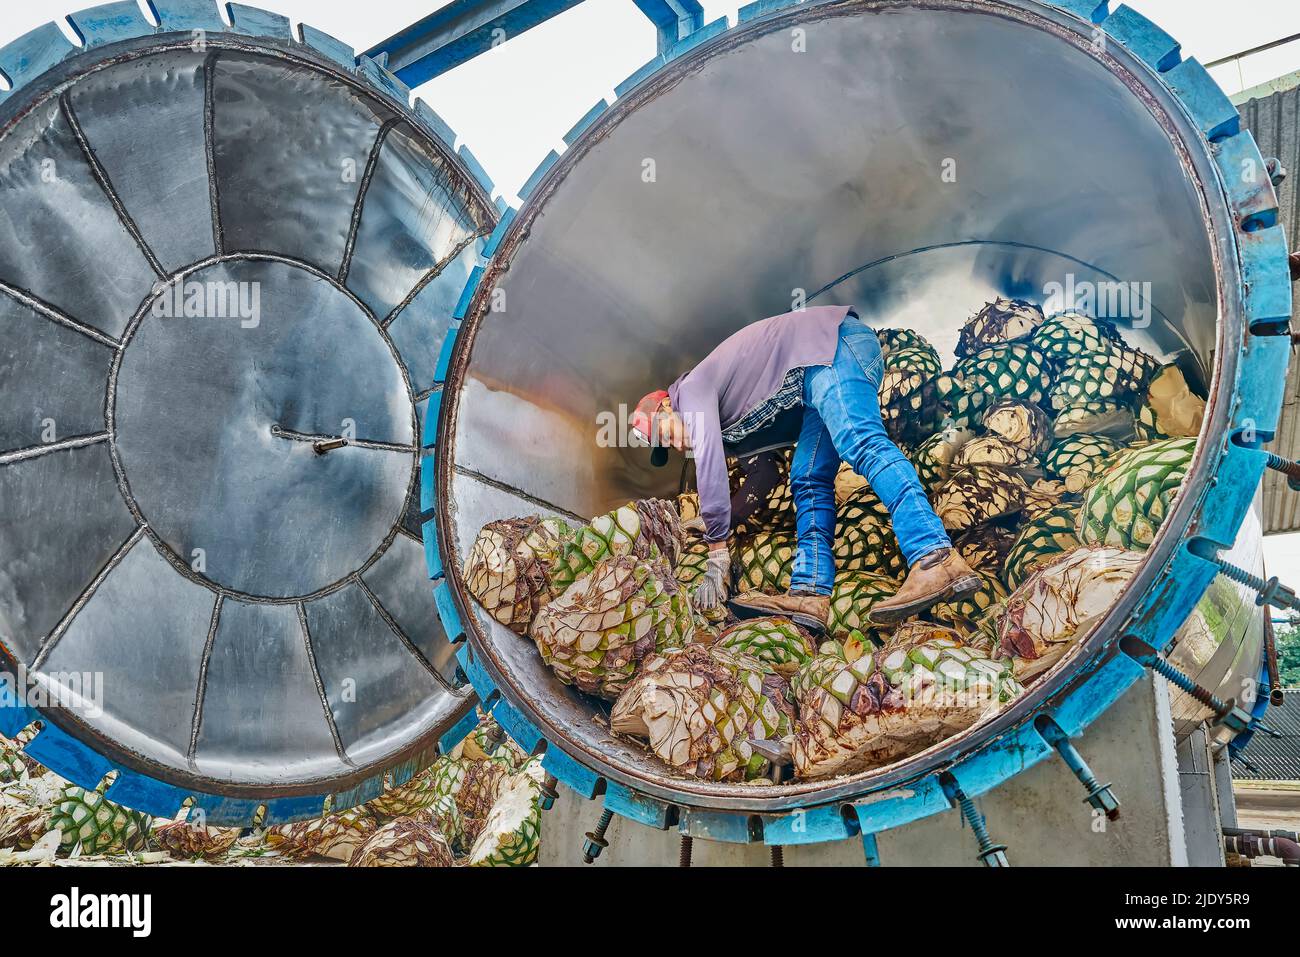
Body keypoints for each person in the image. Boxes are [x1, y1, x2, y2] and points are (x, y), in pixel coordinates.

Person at [629, 305, 978, 632]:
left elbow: (706, 454)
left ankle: (935, 557)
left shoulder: (690, 391)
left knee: (860, 441)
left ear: (664, 408)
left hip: (833, 349)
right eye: (668, 449)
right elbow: (765, 470)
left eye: (665, 435)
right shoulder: (724, 422)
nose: (675, 446)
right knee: (808, 477)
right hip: (816, 379)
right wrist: (722, 519)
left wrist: (716, 548)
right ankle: (809, 593)